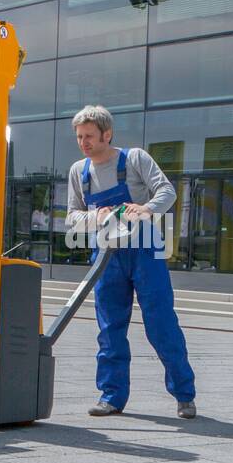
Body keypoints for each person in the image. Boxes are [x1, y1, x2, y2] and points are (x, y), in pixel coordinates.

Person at [66, 105, 197, 419]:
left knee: (161, 324)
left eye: (90, 136)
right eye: (80, 137)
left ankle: (184, 395)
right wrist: (92, 216)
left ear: (107, 134)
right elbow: (71, 218)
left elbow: (167, 191)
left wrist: (147, 209)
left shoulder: (135, 159)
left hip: (145, 252)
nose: (84, 142)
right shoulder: (78, 172)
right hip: (106, 257)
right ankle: (111, 396)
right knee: (109, 328)